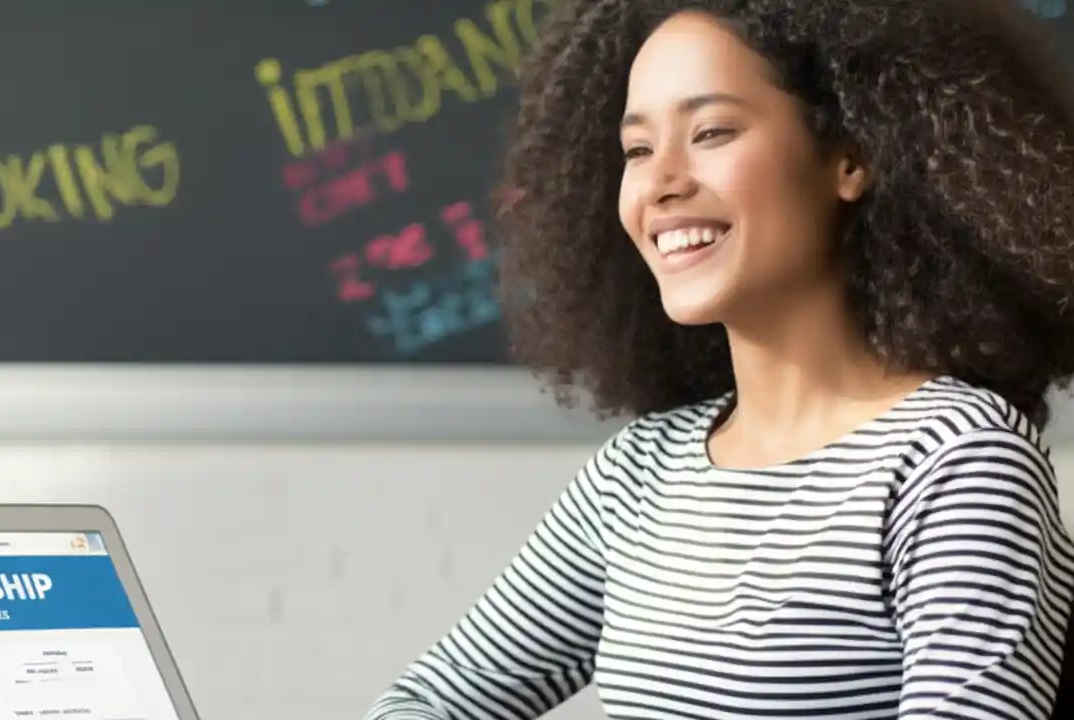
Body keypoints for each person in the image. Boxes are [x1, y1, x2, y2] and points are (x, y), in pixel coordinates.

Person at [363, 0, 1074, 718]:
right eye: (638, 149)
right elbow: (426, 701)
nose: (661, 180)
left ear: (852, 156)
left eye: (711, 131)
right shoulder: (636, 474)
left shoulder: (954, 460)